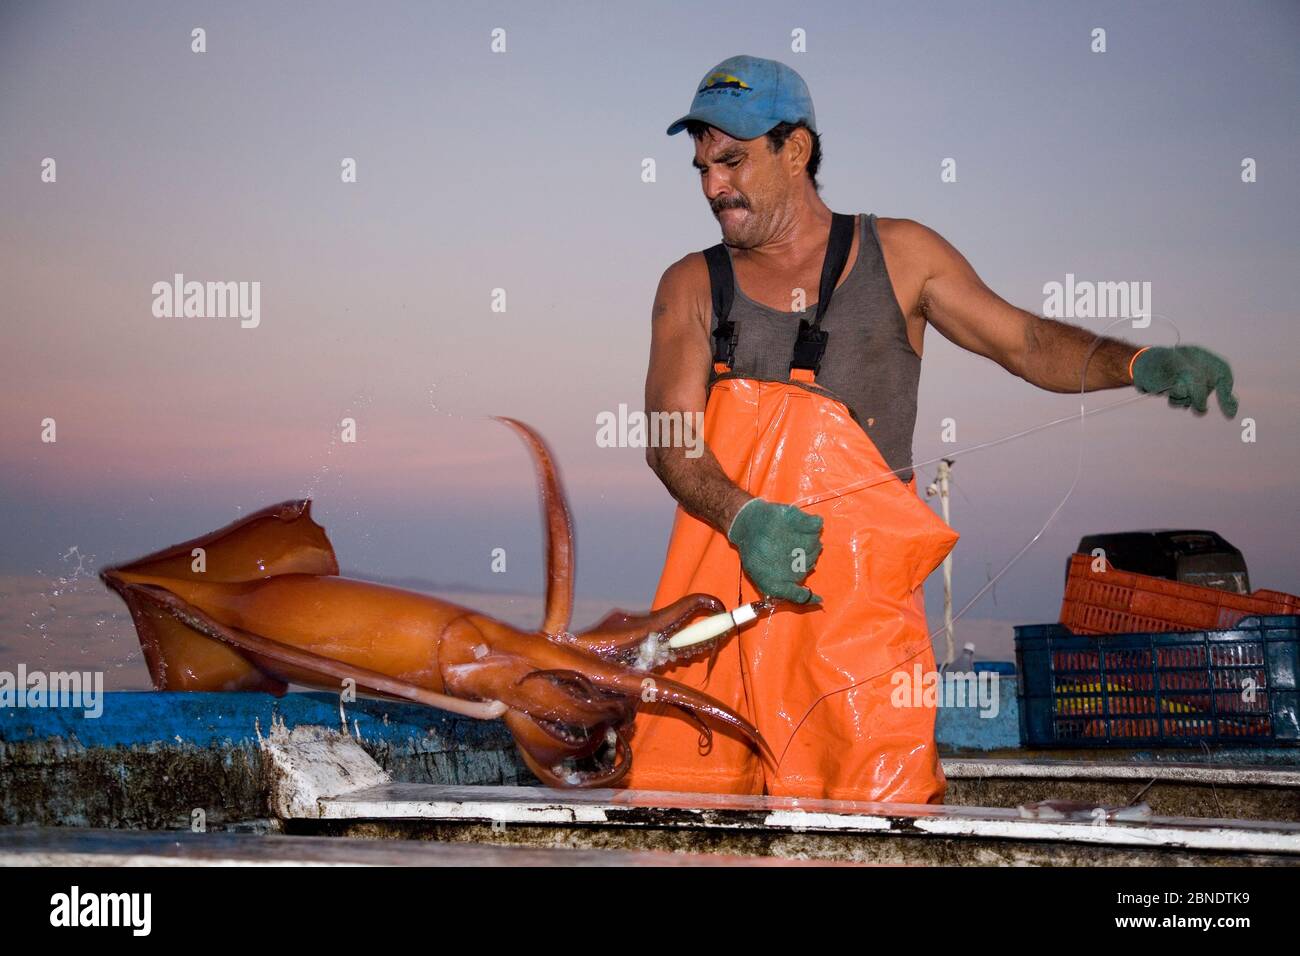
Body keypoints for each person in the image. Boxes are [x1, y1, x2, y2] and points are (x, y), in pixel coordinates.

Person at [626, 54, 1238, 803]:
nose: (714, 185)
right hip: (721, 610)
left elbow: (1026, 343)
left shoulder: (903, 255)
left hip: (856, 625)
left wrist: (1138, 361)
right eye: (701, 167)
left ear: (797, 150)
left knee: (876, 810)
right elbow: (669, 439)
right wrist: (743, 514)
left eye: (732, 160)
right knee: (688, 810)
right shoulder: (689, 285)